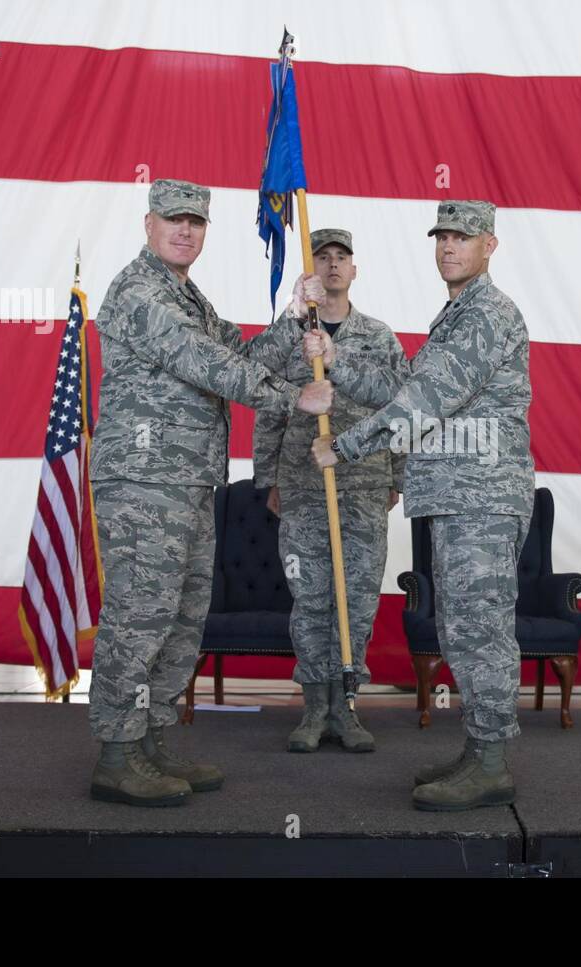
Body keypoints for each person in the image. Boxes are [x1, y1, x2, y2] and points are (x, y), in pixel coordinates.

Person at [87, 178, 333, 806]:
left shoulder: (187, 296)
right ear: (149, 224)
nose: (185, 230)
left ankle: (149, 739)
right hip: (145, 480)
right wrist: (292, 397)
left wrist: (294, 317)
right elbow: (208, 366)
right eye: (173, 220)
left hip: (190, 479)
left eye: (196, 222)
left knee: (181, 615)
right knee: (140, 616)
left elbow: (240, 349)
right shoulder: (140, 292)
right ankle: (116, 753)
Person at [308, 201, 535, 811]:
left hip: (481, 498)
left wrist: (345, 446)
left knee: (480, 632)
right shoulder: (456, 316)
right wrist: (336, 363)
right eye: (441, 237)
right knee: (462, 629)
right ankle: (478, 748)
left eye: (462, 237)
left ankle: (491, 764)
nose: (448, 247)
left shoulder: (487, 313)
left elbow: (427, 400)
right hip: (460, 498)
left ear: (490, 245)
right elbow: (407, 388)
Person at [249, 228, 408, 753]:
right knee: (310, 597)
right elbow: (268, 402)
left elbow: (402, 406)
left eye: (343, 258)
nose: (334, 265)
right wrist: (267, 477)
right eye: (324, 257)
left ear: (355, 271)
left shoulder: (379, 336)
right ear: (311, 270)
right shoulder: (290, 334)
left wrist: (397, 477)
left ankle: (348, 707)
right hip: (302, 484)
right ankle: (314, 708)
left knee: (356, 599)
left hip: (363, 485)